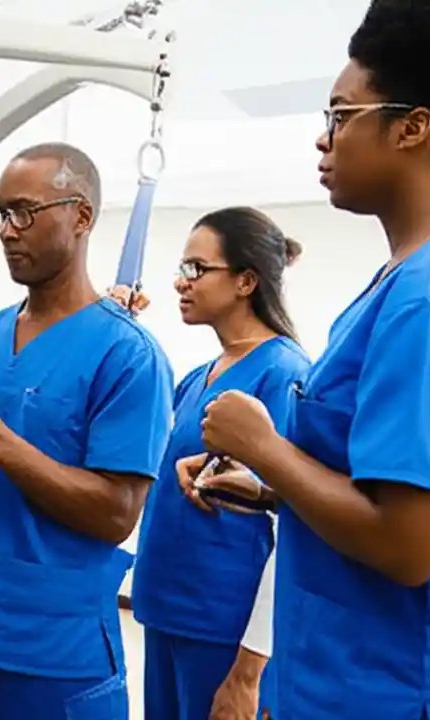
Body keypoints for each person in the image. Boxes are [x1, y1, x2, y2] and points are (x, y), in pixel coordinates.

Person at [189, 2, 430, 718]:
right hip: (359, 674)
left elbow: (413, 544)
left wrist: (264, 446)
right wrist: (269, 485)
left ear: (412, 127)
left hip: (414, 686)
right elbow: (383, 489)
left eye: (341, 116)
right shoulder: (414, 280)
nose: (323, 140)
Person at [0, 142, 174, 720]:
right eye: (0, 215)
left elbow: (116, 513)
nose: (8, 231)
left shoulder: (128, 354)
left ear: (80, 216)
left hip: (55, 652)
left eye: (24, 212)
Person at [127, 207, 310, 720]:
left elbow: (296, 532)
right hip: (169, 613)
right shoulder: (197, 379)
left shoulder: (285, 375)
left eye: (195, 269)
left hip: (225, 628)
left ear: (246, 281)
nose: (180, 283)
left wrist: (248, 671)